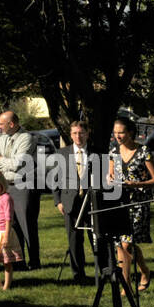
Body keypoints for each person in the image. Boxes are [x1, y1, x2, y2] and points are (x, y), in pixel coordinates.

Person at [108, 115, 154, 292]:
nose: (117, 136)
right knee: (121, 244)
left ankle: (126, 284)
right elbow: (111, 177)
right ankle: (144, 271)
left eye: (121, 132)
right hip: (120, 202)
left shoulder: (144, 151)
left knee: (126, 244)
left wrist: (136, 184)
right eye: (115, 133)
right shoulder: (113, 152)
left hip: (138, 203)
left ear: (130, 132)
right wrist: (110, 179)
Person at [0, 110, 39, 269]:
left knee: (26, 224)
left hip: (23, 185)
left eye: (1, 124)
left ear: (12, 124)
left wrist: (3, 161)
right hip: (6, 186)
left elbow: (19, 164)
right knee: (12, 225)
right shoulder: (2, 139)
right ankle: (18, 261)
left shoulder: (27, 138)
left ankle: (34, 261)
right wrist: (7, 163)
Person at [51, 119, 96, 282]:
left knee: (95, 238)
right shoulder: (62, 153)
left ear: (87, 133)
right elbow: (55, 180)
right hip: (70, 202)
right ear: (70, 135)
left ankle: (102, 272)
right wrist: (58, 201)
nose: (78, 136)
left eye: (81, 133)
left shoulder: (95, 152)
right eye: (75, 133)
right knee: (74, 240)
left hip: (91, 203)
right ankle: (78, 275)